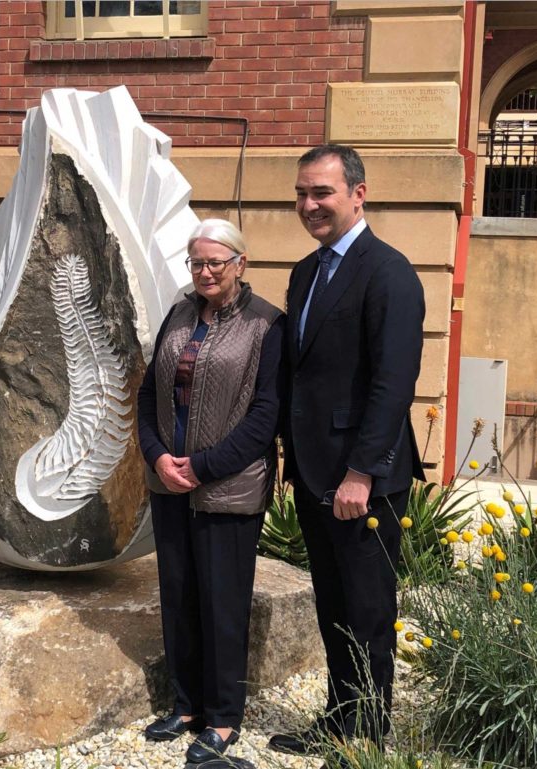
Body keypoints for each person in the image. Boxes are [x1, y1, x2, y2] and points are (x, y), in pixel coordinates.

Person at [269, 144, 425, 758]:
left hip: (364, 478)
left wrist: (361, 472)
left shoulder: (389, 272)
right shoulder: (307, 273)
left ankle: (367, 737)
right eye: (302, 193)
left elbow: (393, 384)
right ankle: (340, 720)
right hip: (314, 471)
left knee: (366, 610)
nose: (310, 205)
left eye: (322, 193)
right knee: (333, 606)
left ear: (358, 194)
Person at [137, 218, 284, 764]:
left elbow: (264, 416)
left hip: (228, 488)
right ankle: (187, 704)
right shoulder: (178, 314)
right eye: (196, 262)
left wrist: (200, 466)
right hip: (170, 484)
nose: (204, 272)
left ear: (240, 264)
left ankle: (223, 717)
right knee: (178, 595)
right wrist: (156, 455)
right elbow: (148, 391)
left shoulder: (267, 325)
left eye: (215, 263)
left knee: (223, 603)